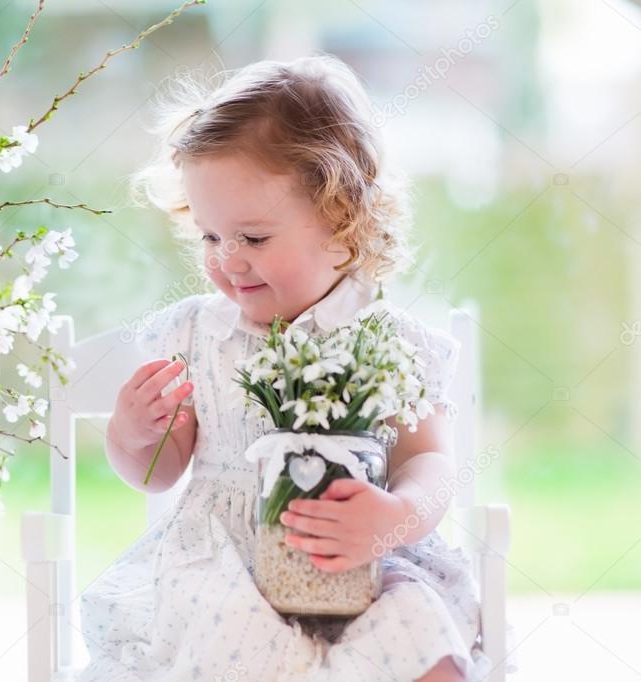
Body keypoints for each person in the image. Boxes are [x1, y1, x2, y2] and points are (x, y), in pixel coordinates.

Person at [78, 55, 492, 681]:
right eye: (210, 238)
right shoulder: (198, 334)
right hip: (223, 564)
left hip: (358, 557)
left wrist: (395, 516)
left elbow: (429, 460)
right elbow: (161, 472)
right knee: (226, 635)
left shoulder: (390, 341)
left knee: (420, 634)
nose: (228, 262)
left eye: (254, 238)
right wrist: (131, 435)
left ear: (340, 218)